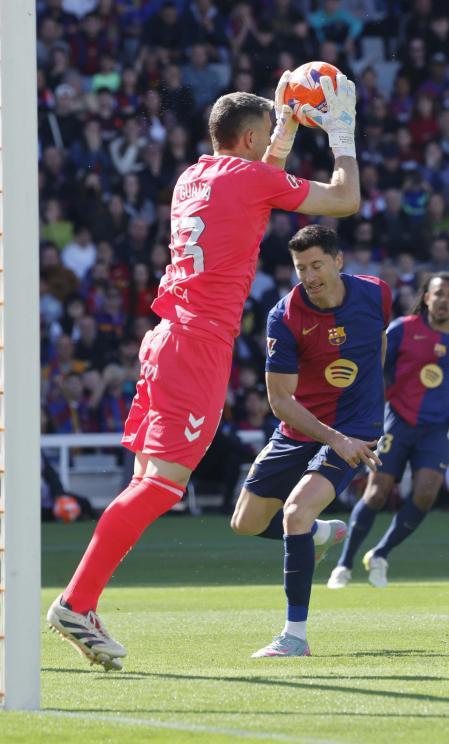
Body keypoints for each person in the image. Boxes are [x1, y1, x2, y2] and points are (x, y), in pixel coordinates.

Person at [47, 70, 360, 671]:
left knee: (149, 482)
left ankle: (82, 603)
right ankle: (76, 603)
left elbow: (259, 178)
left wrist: (284, 126)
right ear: (250, 139)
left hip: (166, 337)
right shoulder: (251, 178)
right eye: (268, 132)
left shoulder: (194, 175)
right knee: (161, 487)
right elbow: (345, 199)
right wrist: (340, 131)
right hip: (198, 346)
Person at [231, 225, 392, 658]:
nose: (309, 275)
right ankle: (321, 533)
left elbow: (376, 345)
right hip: (301, 428)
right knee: (245, 523)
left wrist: (368, 411)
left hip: (356, 429)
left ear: (338, 261)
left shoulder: (377, 293)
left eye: (317, 265)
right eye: (301, 268)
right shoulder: (284, 316)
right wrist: (334, 438)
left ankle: (294, 637)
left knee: (296, 512)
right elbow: (280, 401)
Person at [328, 273, 449, 589]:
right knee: (377, 491)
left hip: (436, 429)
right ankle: (344, 564)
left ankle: (380, 553)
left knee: (426, 494)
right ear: (427, 297)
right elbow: (374, 367)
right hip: (397, 420)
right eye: (439, 294)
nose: (444, 301)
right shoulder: (403, 329)